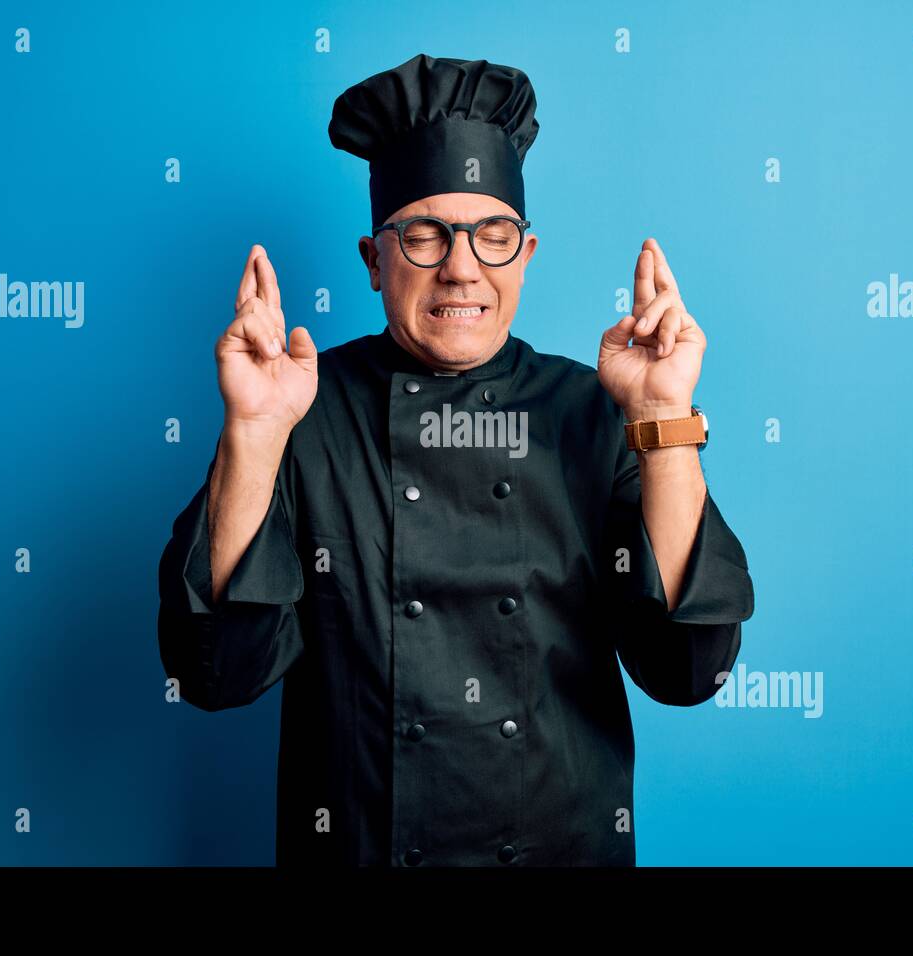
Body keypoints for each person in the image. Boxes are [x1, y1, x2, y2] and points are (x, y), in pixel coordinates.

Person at [157, 53, 754, 867]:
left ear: (527, 254)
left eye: (492, 235)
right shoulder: (301, 406)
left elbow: (689, 670)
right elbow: (215, 674)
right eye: (426, 234)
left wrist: (664, 418)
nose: (462, 267)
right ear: (374, 260)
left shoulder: (599, 411)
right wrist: (254, 435)